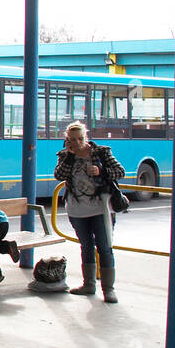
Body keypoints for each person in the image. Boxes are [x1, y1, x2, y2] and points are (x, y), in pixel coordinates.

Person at [55, 121, 124, 302]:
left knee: (104, 247)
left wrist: (101, 170)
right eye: (72, 140)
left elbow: (120, 171)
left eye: (80, 139)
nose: (77, 143)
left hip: (100, 209)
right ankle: (89, 284)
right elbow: (59, 175)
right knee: (86, 246)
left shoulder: (101, 152)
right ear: (67, 140)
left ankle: (108, 289)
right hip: (77, 210)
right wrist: (70, 157)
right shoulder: (64, 155)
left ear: (86, 137)